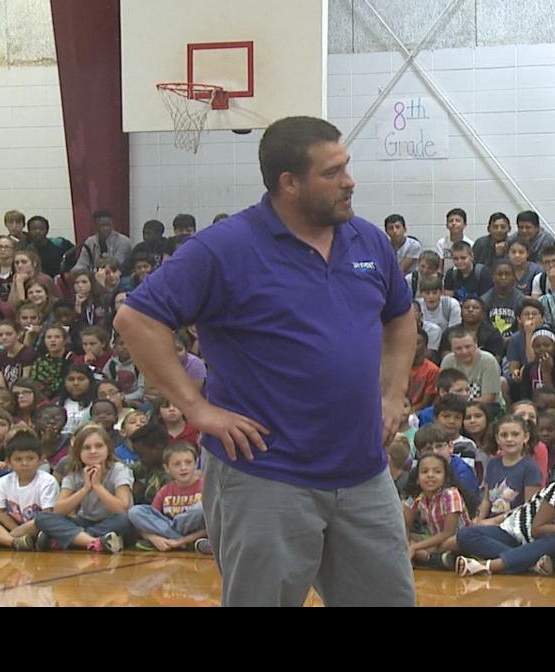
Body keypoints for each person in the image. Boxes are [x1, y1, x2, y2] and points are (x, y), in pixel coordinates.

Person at [114, 116, 417, 607]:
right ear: (289, 183)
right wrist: (196, 408)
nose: (349, 181)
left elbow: (400, 318)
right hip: (266, 477)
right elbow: (137, 319)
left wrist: (394, 393)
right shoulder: (225, 248)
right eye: (332, 172)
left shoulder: (368, 241)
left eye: (347, 166)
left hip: (363, 474)